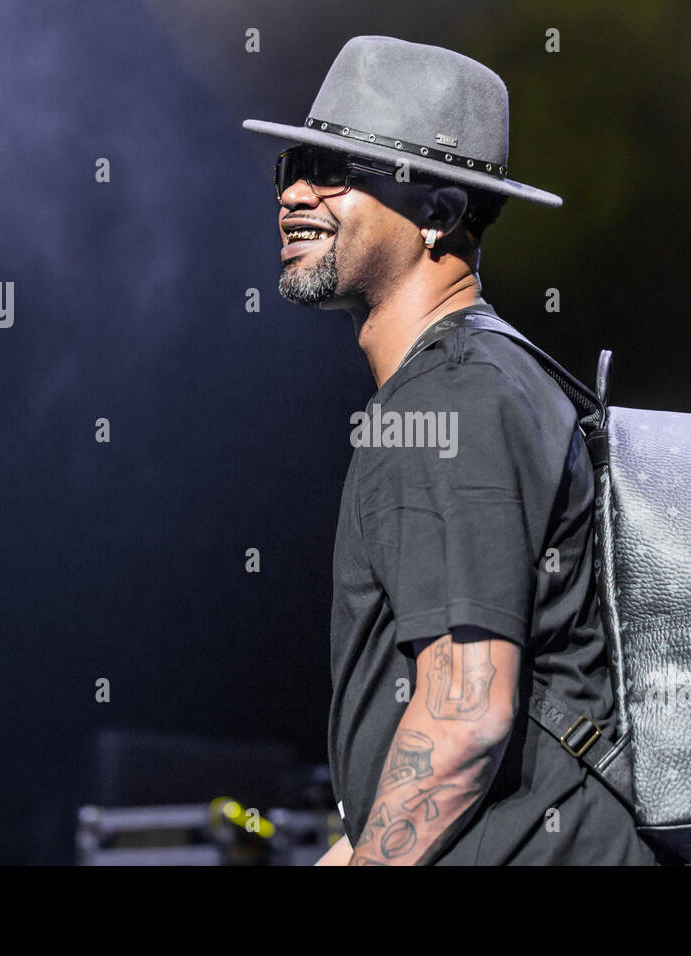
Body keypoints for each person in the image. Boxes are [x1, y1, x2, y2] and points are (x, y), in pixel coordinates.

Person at [243, 35, 657, 865]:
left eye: (334, 170)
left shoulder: (455, 397)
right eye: (293, 163)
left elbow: (467, 713)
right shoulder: (487, 379)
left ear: (437, 214)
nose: (293, 192)